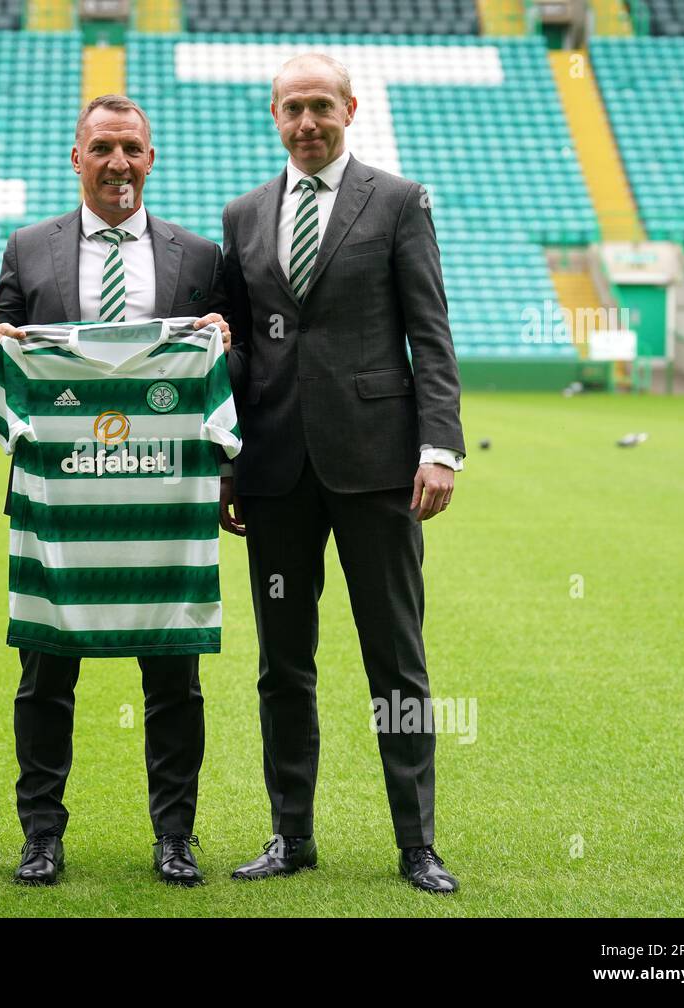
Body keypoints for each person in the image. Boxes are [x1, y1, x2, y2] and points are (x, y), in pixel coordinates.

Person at [219, 53, 465, 893]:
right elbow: (244, 349)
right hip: (276, 471)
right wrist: (228, 458)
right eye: (292, 108)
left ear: (350, 109)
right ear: (275, 115)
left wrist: (440, 447)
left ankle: (417, 843)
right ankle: (292, 836)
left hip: (377, 468)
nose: (307, 122)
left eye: (321, 106)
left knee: (396, 658)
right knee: (283, 663)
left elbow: (429, 332)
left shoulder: (398, 201)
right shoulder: (244, 215)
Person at [0, 94, 231, 887]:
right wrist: (6, 344)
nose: (117, 163)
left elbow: (230, 374)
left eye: (131, 148)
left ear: (150, 158)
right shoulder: (27, 247)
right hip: (60, 499)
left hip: (164, 503)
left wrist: (222, 342)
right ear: (76, 158)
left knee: (173, 673)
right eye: (102, 149)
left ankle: (175, 837)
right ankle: (41, 836)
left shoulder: (198, 256)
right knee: (46, 671)